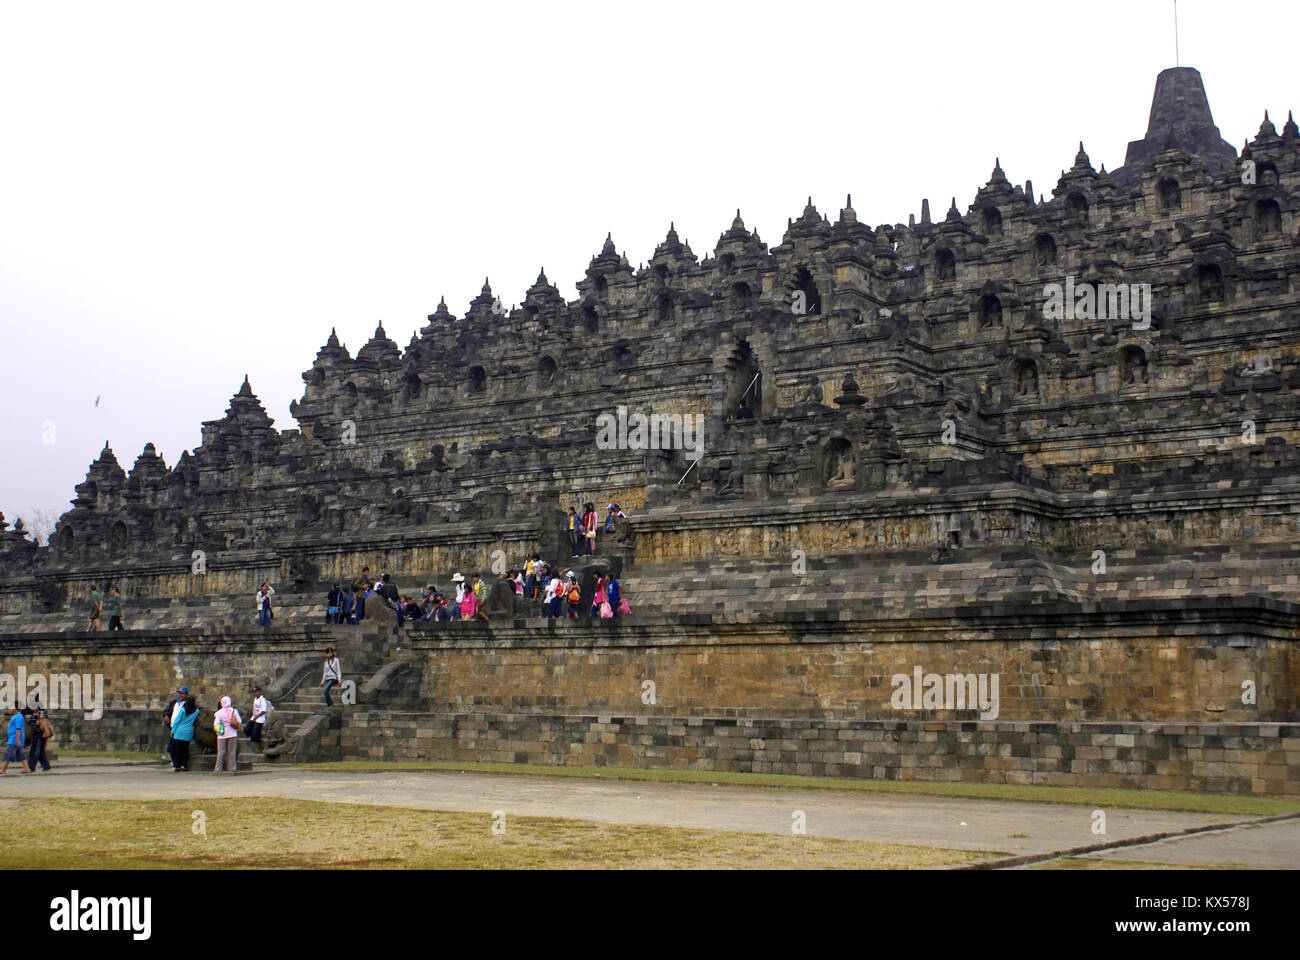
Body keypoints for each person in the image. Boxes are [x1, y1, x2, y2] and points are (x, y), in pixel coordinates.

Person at [169, 694, 198, 771]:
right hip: (188, 733)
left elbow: (176, 721)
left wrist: (172, 731)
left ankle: (177, 766)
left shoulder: (183, 710)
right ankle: (184, 765)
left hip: (179, 732)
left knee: (177, 750)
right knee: (185, 750)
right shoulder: (196, 711)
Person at [213, 696, 241, 774]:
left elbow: (215, 724)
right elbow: (239, 721)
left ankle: (218, 768)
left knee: (221, 752)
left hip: (222, 734)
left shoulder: (219, 712)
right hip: (232, 734)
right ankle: (232, 768)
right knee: (231, 752)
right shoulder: (234, 711)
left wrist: (220, 731)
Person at [162, 685, 189, 762]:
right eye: (179, 693)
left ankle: (180, 763)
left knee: (182, 748)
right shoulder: (174, 702)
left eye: (182, 693)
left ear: (186, 695)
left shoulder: (188, 704)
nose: (180, 695)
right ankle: (175, 762)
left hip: (182, 729)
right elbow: (167, 711)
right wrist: (166, 716)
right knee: (172, 747)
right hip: (173, 728)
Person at [1, 707, 31, 774]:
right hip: (14, 738)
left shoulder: (18, 716)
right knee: (21, 754)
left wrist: (17, 740)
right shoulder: (17, 716)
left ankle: (3, 769)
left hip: (14, 739)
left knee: (8, 753)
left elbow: (18, 729)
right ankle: (26, 769)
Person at [26, 705, 51, 772]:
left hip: (39, 733)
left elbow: (38, 722)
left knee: (34, 751)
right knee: (40, 751)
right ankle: (46, 765)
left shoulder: (39, 713)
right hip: (40, 733)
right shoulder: (40, 712)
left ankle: (31, 767)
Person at [247, 686, 270, 754]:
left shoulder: (262, 700)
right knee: (247, 729)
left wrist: (256, 717)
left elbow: (263, 710)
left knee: (255, 732)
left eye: (256, 692)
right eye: (254, 692)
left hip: (260, 719)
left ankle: (257, 748)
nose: (255, 694)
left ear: (260, 692)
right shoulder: (255, 699)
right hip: (254, 718)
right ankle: (255, 734)